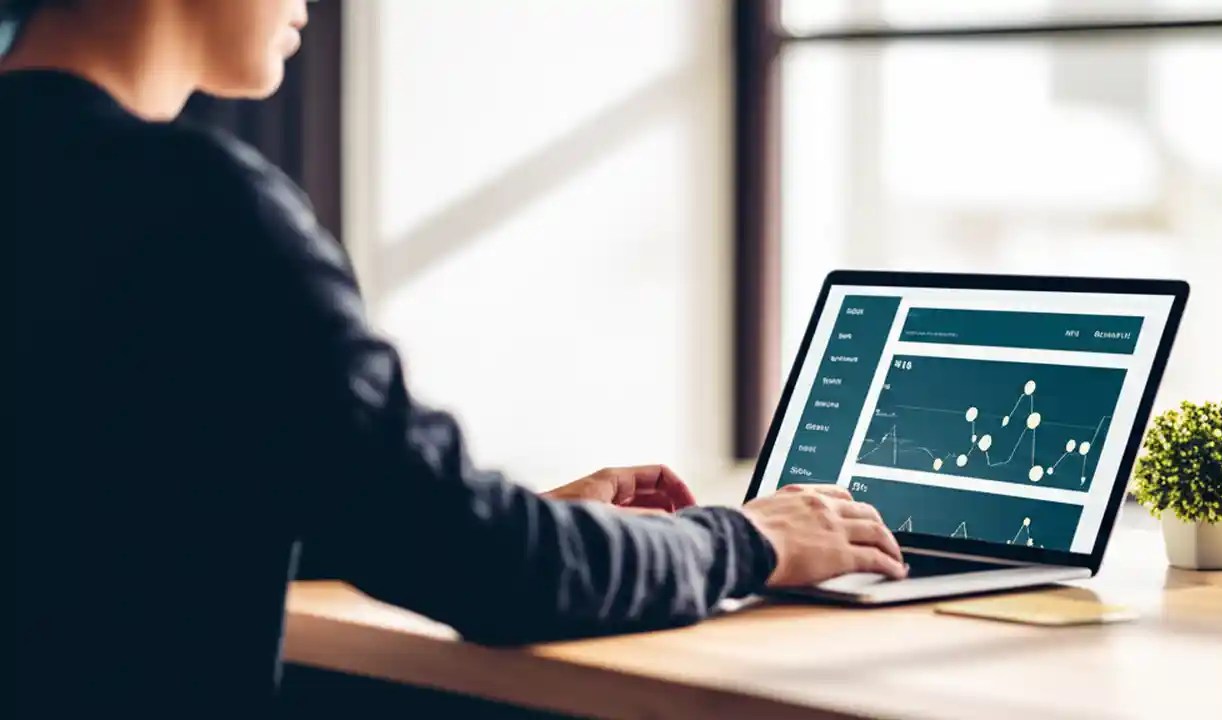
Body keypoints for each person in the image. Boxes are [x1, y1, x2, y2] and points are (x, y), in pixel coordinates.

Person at [6, 0, 906, 714]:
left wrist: (473, 514)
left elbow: (103, 510)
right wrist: (746, 539)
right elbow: (496, 575)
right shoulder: (200, 209)